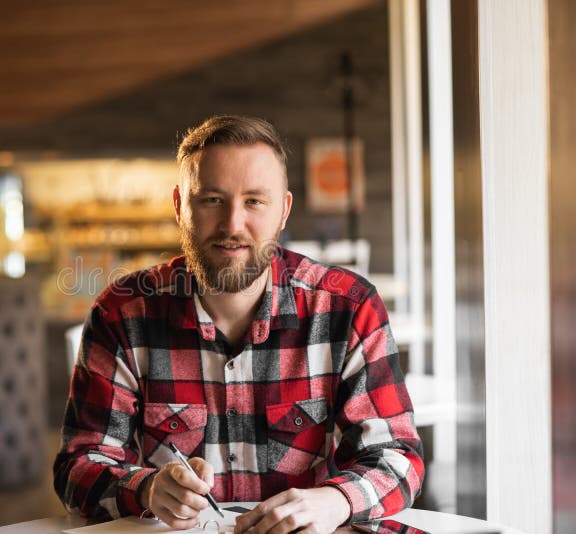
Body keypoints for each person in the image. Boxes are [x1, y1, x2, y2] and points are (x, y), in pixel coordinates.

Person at [53, 115, 424, 533]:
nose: (232, 224)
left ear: (283, 210)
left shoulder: (349, 308)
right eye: (212, 199)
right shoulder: (122, 313)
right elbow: (78, 464)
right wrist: (146, 489)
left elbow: (397, 457)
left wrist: (334, 501)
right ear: (180, 207)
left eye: (254, 201)